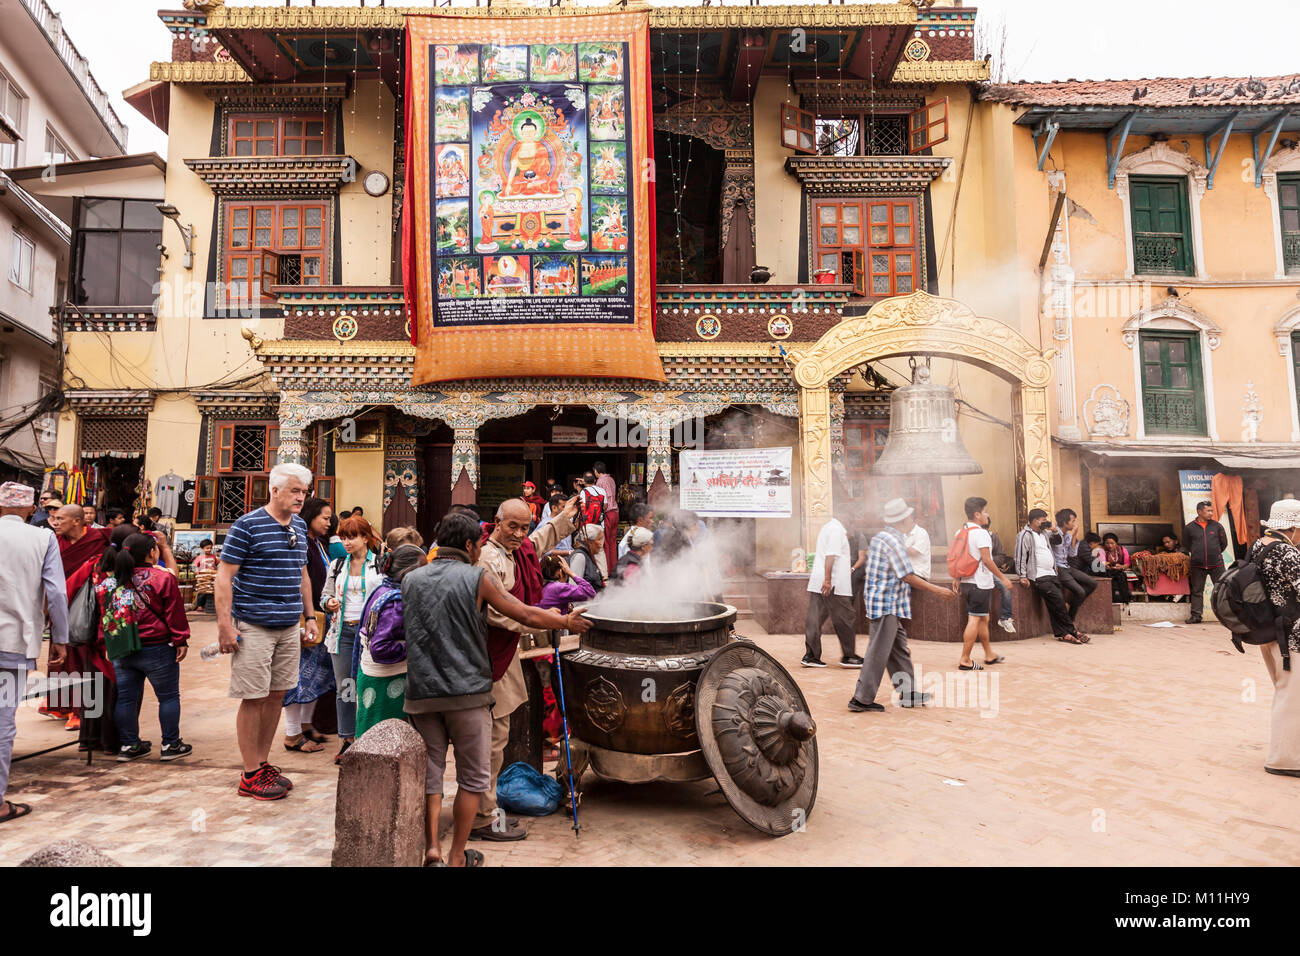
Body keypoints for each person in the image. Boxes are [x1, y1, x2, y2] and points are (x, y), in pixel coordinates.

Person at [403, 511, 591, 867]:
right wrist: (565, 620)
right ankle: (458, 856)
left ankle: (432, 849)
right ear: (472, 545)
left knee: (432, 775)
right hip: (466, 692)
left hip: (422, 691)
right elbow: (524, 614)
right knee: (473, 778)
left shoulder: (411, 579)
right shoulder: (478, 578)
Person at [471, 495, 577, 842]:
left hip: (503, 656)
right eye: (511, 526)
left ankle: (483, 810)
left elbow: (539, 540)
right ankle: (482, 818)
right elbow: (505, 613)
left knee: (495, 740)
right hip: (489, 659)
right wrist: (554, 622)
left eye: (523, 527)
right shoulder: (489, 559)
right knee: (490, 741)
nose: (518, 534)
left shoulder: (516, 550)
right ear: (496, 522)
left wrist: (563, 516)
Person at [215, 462, 318, 801]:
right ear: (274, 490)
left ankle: (261, 763)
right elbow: (224, 578)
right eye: (294, 491)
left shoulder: (300, 526)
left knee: (277, 694)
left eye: (304, 491)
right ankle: (249, 774)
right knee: (254, 696)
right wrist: (225, 626)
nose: (301, 497)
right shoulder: (247, 525)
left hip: (289, 624)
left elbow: (302, 574)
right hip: (254, 623)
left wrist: (310, 617)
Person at [0, 482, 69, 824]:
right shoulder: (42, 538)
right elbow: (56, 592)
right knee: (2, 720)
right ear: (30, 509)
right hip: (13, 641)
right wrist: (60, 636)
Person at [850, 498, 956, 712]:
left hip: (888, 603)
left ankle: (909, 693)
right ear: (902, 520)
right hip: (886, 604)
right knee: (878, 652)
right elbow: (907, 576)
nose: (911, 519)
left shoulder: (883, 538)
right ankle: (861, 698)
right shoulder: (892, 541)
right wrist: (938, 590)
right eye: (908, 516)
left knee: (898, 650)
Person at [96, 532, 192, 762]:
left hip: (123, 647)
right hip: (157, 647)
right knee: (168, 697)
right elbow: (174, 614)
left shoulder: (108, 582)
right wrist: (180, 639)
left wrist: (107, 644)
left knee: (126, 698)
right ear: (152, 552)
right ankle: (170, 744)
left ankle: (130, 745)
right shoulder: (162, 578)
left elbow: (104, 616)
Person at [321, 514, 384, 764]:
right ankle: (347, 739)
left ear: (366, 538)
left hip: (371, 634)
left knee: (370, 685)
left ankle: (370, 737)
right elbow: (324, 595)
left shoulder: (380, 563)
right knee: (345, 687)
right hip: (343, 634)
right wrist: (328, 603)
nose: (347, 542)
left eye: (353, 537)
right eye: (344, 537)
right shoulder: (337, 565)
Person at [1245, 499, 1300, 777]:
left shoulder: (1258, 546)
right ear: (1291, 527)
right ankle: (1284, 760)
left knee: (1285, 693)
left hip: (1269, 633)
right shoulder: (1287, 554)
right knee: (1293, 699)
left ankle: (1287, 755)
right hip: (1292, 639)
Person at [354, 544, 426, 738]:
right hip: (386, 681)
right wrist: (416, 647)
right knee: (385, 736)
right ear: (408, 572)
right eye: (423, 570)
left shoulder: (382, 591)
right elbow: (380, 648)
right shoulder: (396, 602)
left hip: (374, 678)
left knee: (371, 731)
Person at [282, 497, 336, 755]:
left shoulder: (318, 543)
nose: (329, 522)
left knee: (317, 676)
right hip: (305, 618)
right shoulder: (300, 545)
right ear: (311, 516)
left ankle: (306, 725)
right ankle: (291, 734)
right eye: (324, 517)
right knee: (298, 677)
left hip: (320, 617)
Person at [54, 503, 112, 735]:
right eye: (55, 518)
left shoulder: (100, 537)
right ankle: (65, 706)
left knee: (84, 657)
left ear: (77, 521)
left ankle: (82, 709)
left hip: (88, 607)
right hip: (61, 604)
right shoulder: (53, 542)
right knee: (62, 656)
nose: (55, 523)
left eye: (60, 519)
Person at [953, 497, 1011, 671]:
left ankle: (989, 654)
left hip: (967, 582)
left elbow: (956, 557)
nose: (988, 514)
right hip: (979, 583)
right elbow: (987, 560)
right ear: (977, 514)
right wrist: (1003, 577)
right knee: (975, 619)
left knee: (983, 618)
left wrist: (956, 578)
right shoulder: (981, 533)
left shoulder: (960, 532)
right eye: (985, 511)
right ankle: (965, 659)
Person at [1015, 509, 1089, 644]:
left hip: (1051, 573)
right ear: (1035, 520)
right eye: (1043, 519)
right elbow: (1020, 555)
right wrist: (1022, 575)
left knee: (1054, 605)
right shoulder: (1024, 534)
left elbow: (1058, 541)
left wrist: (1054, 530)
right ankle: (1072, 631)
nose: (1045, 521)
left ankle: (1063, 634)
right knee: (1059, 602)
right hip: (1039, 575)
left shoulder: (1044, 533)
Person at [802, 510, 860, 669]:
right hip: (833, 583)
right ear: (844, 516)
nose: (852, 522)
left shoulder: (828, 527)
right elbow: (831, 556)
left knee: (815, 619)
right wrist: (828, 580)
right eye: (851, 518)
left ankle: (811, 656)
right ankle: (849, 656)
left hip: (820, 580)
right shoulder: (837, 529)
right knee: (845, 617)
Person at [1184, 499, 1228, 624]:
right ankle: (1196, 616)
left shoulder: (1217, 526)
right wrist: (1198, 554)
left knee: (1221, 590)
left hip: (1217, 564)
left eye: (1211, 511)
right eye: (1208, 511)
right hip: (1197, 565)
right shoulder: (1189, 528)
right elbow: (1187, 545)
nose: (1211, 513)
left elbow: (1223, 544)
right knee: (1197, 591)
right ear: (1199, 511)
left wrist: (1215, 553)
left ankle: (1226, 617)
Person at [1051, 508, 1099, 622]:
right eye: (1072, 521)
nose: (1074, 524)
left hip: (1067, 566)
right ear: (1064, 522)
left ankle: (1070, 605)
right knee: (1080, 591)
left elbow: (1072, 554)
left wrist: (1074, 536)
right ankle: (1070, 620)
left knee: (1092, 583)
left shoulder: (1068, 535)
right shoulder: (1053, 534)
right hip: (1058, 568)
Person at [984, 513, 1017, 634]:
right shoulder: (970, 535)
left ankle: (1005, 618)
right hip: (975, 573)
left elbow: (1001, 555)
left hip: (990, 571)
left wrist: (990, 561)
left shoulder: (993, 537)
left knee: (1005, 587)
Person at [593, 460, 619, 574]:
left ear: (596, 471)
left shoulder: (600, 481)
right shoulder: (611, 479)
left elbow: (601, 501)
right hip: (615, 512)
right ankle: (614, 567)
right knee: (613, 541)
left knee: (606, 542)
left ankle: (607, 569)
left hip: (607, 512)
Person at [569, 524, 606, 592]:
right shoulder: (580, 557)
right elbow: (573, 587)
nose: (601, 543)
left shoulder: (589, 556)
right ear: (588, 541)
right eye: (598, 539)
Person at [1100, 532, 1133, 604]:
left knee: (1121, 575)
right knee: (1115, 576)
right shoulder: (1102, 550)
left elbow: (1127, 563)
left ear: (1116, 543)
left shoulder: (1122, 549)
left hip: (1120, 570)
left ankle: (1125, 597)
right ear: (1104, 543)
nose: (1110, 545)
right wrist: (1109, 566)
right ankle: (1116, 597)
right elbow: (1103, 563)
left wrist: (1122, 567)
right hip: (1108, 571)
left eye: (1112, 543)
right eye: (1107, 543)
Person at [191, 540, 219, 613]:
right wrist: (197, 572)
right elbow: (194, 566)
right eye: (207, 548)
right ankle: (200, 605)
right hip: (202, 577)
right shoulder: (199, 557)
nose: (209, 550)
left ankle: (211, 604)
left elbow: (217, 564)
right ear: (202, 549)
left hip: (212, 576)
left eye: (210, 548)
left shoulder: (213, 557)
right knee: (202, 591)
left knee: (211, 591)